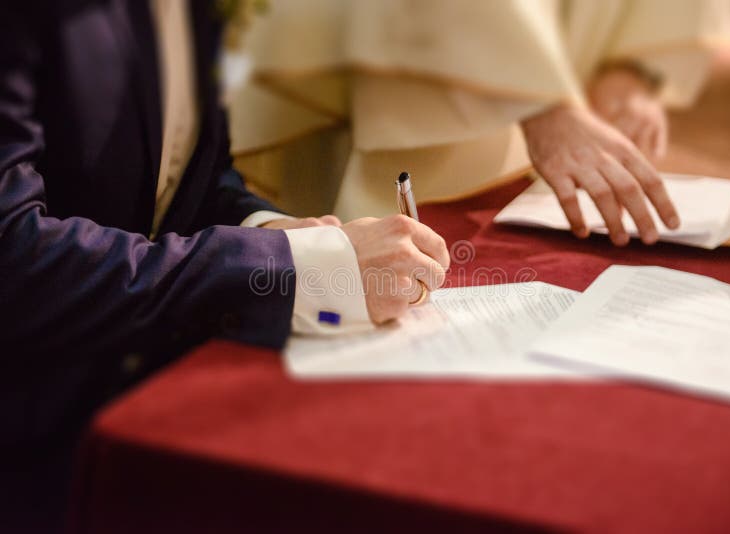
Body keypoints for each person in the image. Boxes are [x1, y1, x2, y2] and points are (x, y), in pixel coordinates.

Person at [0, 1, 448, 529]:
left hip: (159, 399)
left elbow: (199, 181)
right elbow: (14, 255)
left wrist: (271, 231)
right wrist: (294, 267)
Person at [228, 0, 730, 246]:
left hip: (541, 120)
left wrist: (632, 66)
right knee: (351, 259)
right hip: (409, 74)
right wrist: (537, 97)